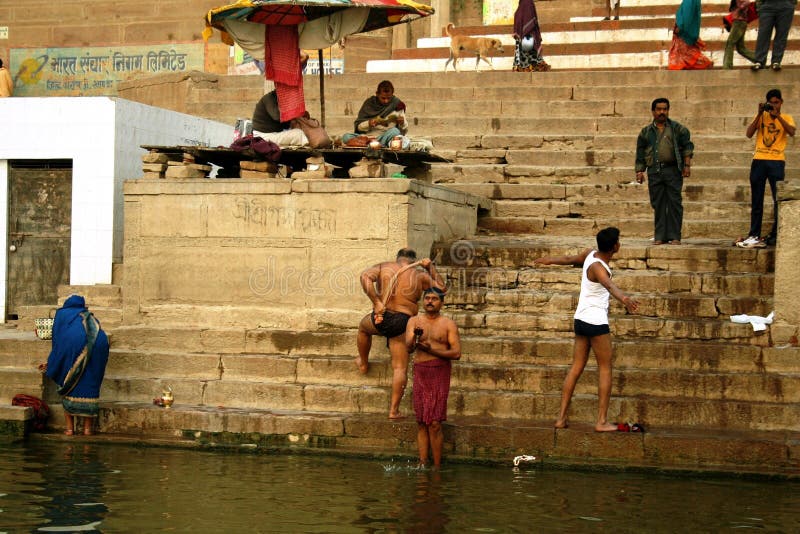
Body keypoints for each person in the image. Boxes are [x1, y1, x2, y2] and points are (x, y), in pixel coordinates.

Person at [534, 228, 639, 432]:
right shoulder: (599, 267)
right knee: (605, 368)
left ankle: (561, 419)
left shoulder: (589, 254)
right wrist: (625, 299)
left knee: (576, 367)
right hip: (595, 323)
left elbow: (569, 259)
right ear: (614, 247)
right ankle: (601, 421)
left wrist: (549, 260)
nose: (619, 243)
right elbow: (609, 285)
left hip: (580, 320)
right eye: (618, 241)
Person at [356, 248, 445, 419]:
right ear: (414, 260)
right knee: (400, 368)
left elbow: (364, 276)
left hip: (381, 317)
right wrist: (430, 268)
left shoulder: (383, 267)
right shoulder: (419, 275)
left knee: (363, 328)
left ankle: (363, 363)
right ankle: (393, 411)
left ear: (397, 259)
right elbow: (442, 289)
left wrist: (376, 302)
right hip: (403, 322)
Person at [38, 295, 110, 436]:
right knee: (90, 384)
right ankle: (87, 429)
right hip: (100, 343)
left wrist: (51, 363)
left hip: (74, 345)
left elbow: (60, 346)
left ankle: (70, 429)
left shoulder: (63, 314)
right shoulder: (89, 316)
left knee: (68, 382)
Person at [405, 287, 461, 468]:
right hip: (420, 371)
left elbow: (456, 353)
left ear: (441, 303)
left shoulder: (448, 324)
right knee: (421, 422)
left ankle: (437, 468)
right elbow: (408, 348)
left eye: (434, 299)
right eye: (427, 298)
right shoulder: (414, 321)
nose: (429, 301)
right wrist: (415, 338)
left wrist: (432, 350)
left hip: (439, 371)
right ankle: (423, 463)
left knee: (435, 423)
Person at [737, 88, 795, 248]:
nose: (774, 105)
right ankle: (754, 234)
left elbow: (791, 132)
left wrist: (778, 116)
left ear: (781, 102)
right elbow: (749, 134)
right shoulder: (762, 116)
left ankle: (776, 234)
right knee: (757, 199)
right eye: (771, 103)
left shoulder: (787, 117)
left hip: (777, 161)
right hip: (759, 160)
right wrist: (758, 114)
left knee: (778, 199)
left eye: (777, 102)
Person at [635, 98, 694, 245]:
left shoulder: (678, 129)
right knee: (658, 203)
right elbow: (640, 153)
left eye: (665, 109)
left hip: (673, 170)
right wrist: (639, 171)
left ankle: (675, 236)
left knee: (674, 203)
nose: (662, 112)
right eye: (659, 109)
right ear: (653, 111)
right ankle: (660, 235)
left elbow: (687, 147)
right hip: (654, 171)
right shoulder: (646, 132)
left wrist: (687, 165)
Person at [252, 51, 309, 146]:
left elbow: (305, 56)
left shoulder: (283, 100)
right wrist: (294, 115)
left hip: (275, 133)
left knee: (301, 131)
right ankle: (310, 151)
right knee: (298, 134)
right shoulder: (269, 98)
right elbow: (277, 117)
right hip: (263, 136)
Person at [342, 81, 408, 147]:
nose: (386, 101)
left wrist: (402, 123)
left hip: (385, 136)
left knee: (395, 131)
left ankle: (374, 145)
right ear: (377, 94)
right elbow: (359, 128)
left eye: (389, 98)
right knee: (346, 137)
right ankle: (375, 145)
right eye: (383, 98)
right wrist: (369, 123)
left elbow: (404, 131)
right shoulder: (369, 104)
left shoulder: (397, 104)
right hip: (367, 138)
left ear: (392, 94)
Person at [668, 0, 713, 70]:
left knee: (685, 53)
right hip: (684, 32)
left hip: (683, 33)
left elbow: (687, 16)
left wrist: (680, 26)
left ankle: (704, 63)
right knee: (683, 54)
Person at [751, 0, 796, 71]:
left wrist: (791, 4)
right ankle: (759, 61)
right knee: (763, 34)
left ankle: (776, 61)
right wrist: (759, 7)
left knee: (781, 35)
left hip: (785, 6)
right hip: (767, 5)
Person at [512, 0, 551, 72]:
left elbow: (530, 18)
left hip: (528, 34)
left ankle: (531, 66)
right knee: (524, 53)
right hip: (522, 34)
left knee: (529, 52)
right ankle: (525, 66)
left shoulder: (528, 2)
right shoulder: (522, 3)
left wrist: (526, 29)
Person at [723, 0, 758, 69]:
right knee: (741, 48)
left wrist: (740, 8)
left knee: (730, 43)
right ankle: (759, 59)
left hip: (738, 22)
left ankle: (727, 67)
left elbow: (747, 3)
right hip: (739, 22)